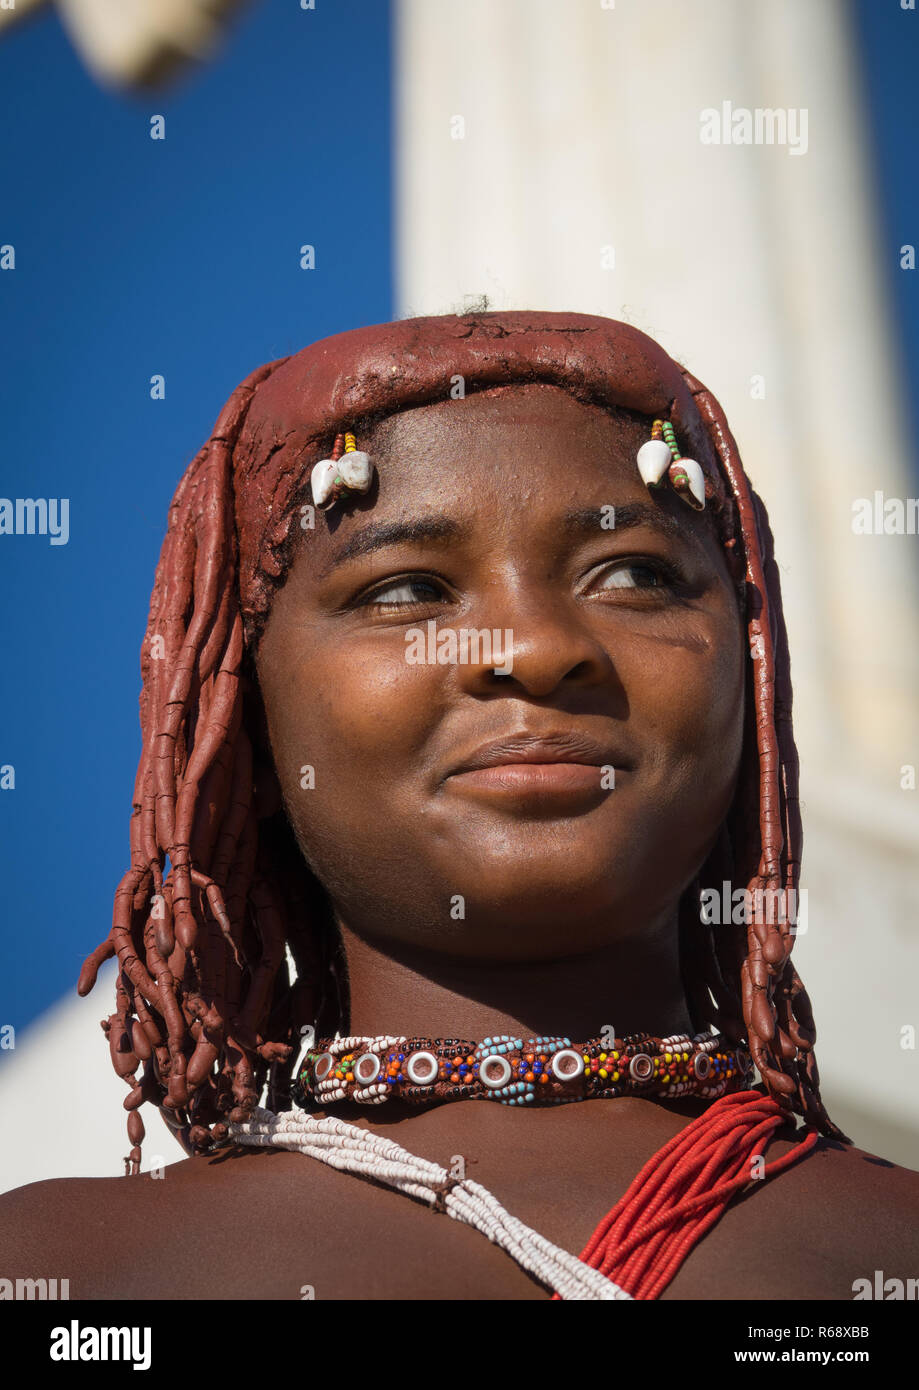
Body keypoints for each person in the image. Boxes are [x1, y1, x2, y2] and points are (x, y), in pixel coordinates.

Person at [2, 310, 917, 1301]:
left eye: (634, 574)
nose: (531, 648)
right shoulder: (63, 1273)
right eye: (406, 591)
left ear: (754, 678)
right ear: (248, 731)